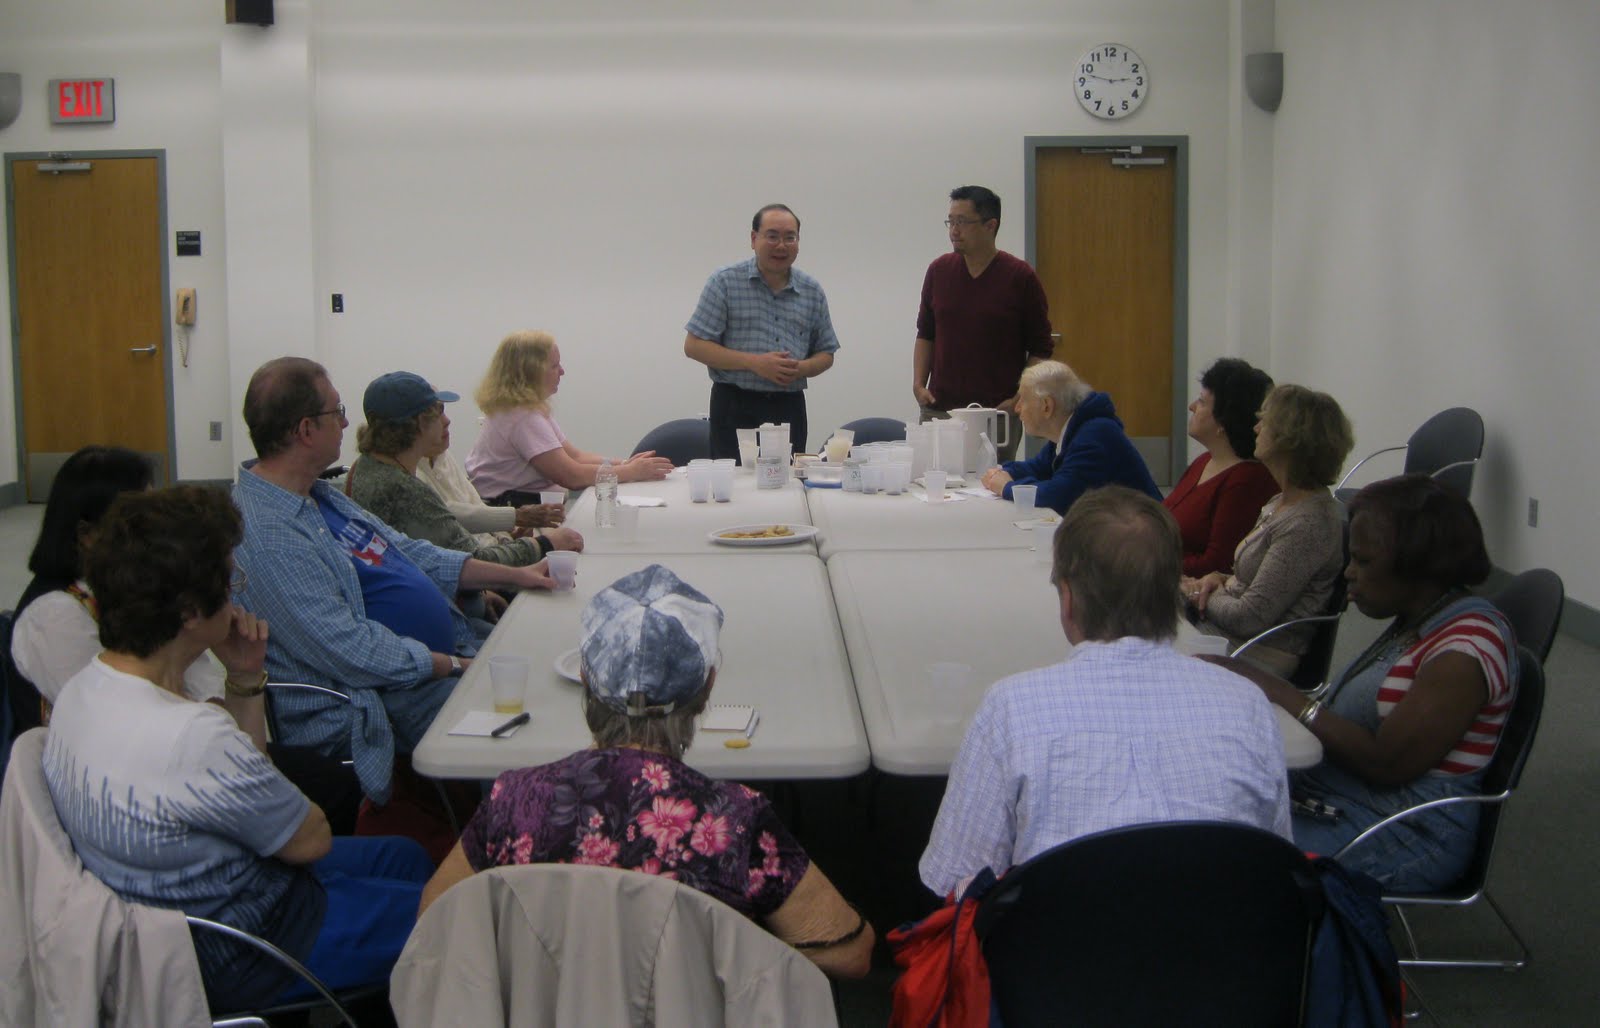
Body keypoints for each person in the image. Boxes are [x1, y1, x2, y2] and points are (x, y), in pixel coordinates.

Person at [40, 485, 434, 1012]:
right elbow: (308, 840)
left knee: (405, 856)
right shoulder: (190, 734)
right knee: (447, 915)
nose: (236, 597)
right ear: (188, 611)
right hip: (246, 945)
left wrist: (246, 677)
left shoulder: (79, 694)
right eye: (230, 583)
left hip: (176, 918)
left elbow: (254, 790)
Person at [419, 564, 875, 979]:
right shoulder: (731, 819)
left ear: (584, 676)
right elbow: (846, 954)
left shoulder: (515, 800)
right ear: (708, 683)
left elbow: (434, 922)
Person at [919, 487, 1291, 898]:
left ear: (1067, 599)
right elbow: (1276, 865)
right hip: (1230, 954)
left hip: (1051, 957)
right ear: (1173, 595)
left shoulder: (1012, 710)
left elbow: (955, 884)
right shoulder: (1248, 706)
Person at [232, 356, 559, 805]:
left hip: (426, 659)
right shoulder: (268, 533)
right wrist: (451, 664)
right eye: (337, 413)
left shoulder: (317, 494)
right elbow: (349, 650)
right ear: (306, 430)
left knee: (544, 664)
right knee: (517, 722)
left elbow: (413, 552)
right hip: (373, 697)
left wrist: (515, 574)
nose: (347, 424)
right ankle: (503, 839)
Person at [9, 446, 363, 834]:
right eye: (137, 518)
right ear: (87, 535)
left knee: (326, 779)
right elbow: (130, 737)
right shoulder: (55, 617)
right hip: (145, 782)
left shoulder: (139, 599)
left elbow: (210, 714)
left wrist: (237, 684)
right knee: (329, 796)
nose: (154, 529)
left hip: (188, 753)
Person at [1208, 475, 1518, 892]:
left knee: (1217, 857)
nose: (1349, 574)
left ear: (1417, 564)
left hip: (1404, 832)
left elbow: (1387, 764)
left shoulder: (1465, 650)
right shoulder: (1422, 619)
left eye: (1364, 561)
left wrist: (1280, 692)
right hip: (1348, 799)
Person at [1184, 383, 1354, 676]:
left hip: (1254, 652)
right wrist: (1218, 579)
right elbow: (1256, 581)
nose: (1257, 427)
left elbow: (1251, 616)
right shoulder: (1280, 502)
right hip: (1225, 632)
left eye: (1267, 421)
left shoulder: (1308, 524)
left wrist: (1196, 591)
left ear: (1290, 440)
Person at [348, 370, 583, 572]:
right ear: (419, 423)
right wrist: (545, 544)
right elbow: (471, 565)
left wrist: (506, 537)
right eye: (438, 410)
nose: (447, 421)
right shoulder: (404, 489)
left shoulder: (375, 468)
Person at [684, 204, 841, 458]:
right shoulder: (724, 282)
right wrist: (754, 363)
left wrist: (801, 369)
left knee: (787, 488)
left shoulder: (812, 290)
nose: (781, 245)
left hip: (789, 406)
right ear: (753, 239)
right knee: (735, 490)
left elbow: (826, 353)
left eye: (790, 237)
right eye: (772, 236)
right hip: (735, 403)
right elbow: (694, 345)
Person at [913, 185, 1054, 463]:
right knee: (936, 487)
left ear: (991, 225)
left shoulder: (1019, 277)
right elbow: (926, 333)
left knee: (992, 490)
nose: (954, 230)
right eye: (950, 221)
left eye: (962, 222)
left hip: (996, 412)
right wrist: (918, 384)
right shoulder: (939, 271)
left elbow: (1041, 348)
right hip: (940, 408)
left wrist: (1019, 397)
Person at [466, 330, 672, 502]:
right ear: (530, 372)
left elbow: (576, 456)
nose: (562, 372)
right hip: (509, 507)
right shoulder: (523, 417)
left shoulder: (526, 408)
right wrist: (632, 472)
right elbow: (571, 476)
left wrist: (624, 464)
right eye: (554, 366)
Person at [978, 360, 1160, 513]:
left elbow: (1058, 496)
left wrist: (1007, 487)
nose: (1017, 409)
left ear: (1047, 406)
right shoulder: (1071, 429)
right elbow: (1038, 468)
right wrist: (1003, 472)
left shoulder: (1095, 435)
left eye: (1023, 400)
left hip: (1144, 541)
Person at [1164, 358, 1279, 576]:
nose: (1192, 407)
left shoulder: (1246, 481)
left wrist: (1145, 566)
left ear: (1224, 421)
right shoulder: (1204, 461)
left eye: (1202, 402)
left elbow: (1217, 564)